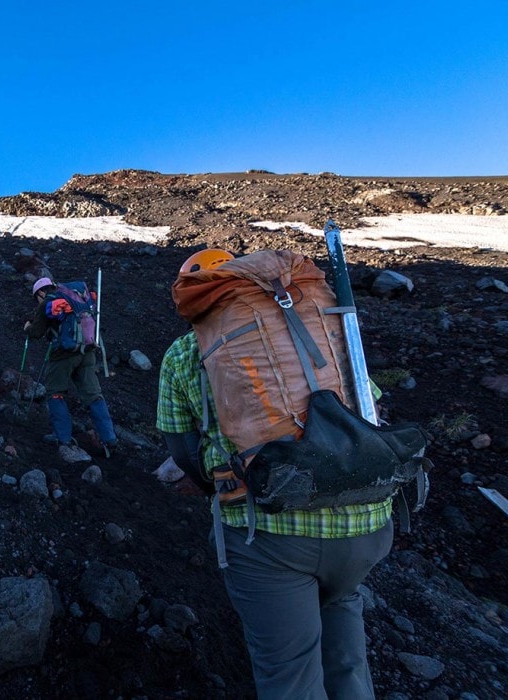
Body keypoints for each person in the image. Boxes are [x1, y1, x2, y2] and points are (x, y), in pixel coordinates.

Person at [156, 249, 393, 699]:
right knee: (346, 654)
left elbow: (182, 448)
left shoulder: (185, 352)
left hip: (268, 534)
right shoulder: (323, 322)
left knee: (290, 679)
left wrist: (214, 483)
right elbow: (370, 407)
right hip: (364, 520)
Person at [23, 277, 117, 463]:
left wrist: (27, 327)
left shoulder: (47, 303)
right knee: (93, 395)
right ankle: (109, 439)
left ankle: (63, 438)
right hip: (87, 352)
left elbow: (35, 333)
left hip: (63, 356)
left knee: (55, 393)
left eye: (37, 297)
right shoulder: (77, 299)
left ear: (41, 292)